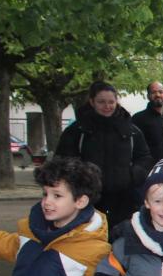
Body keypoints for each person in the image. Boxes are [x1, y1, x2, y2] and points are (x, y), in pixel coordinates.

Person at [56, 81, 153, 231]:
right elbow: (64, 160)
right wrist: (83, 179)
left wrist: (133, 175)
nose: (107, 106)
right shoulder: (77, 131)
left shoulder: (132, 130)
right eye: (101, 102)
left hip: (124, 200)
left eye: (111, 102)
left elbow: (144, 157)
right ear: (92, 102)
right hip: (88, 199)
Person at [132, 81, 163, 162]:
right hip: (147, 170)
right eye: (153, 92)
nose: (158, 95)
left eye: (160, 92)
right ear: (148, 96)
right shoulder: (138, 119)